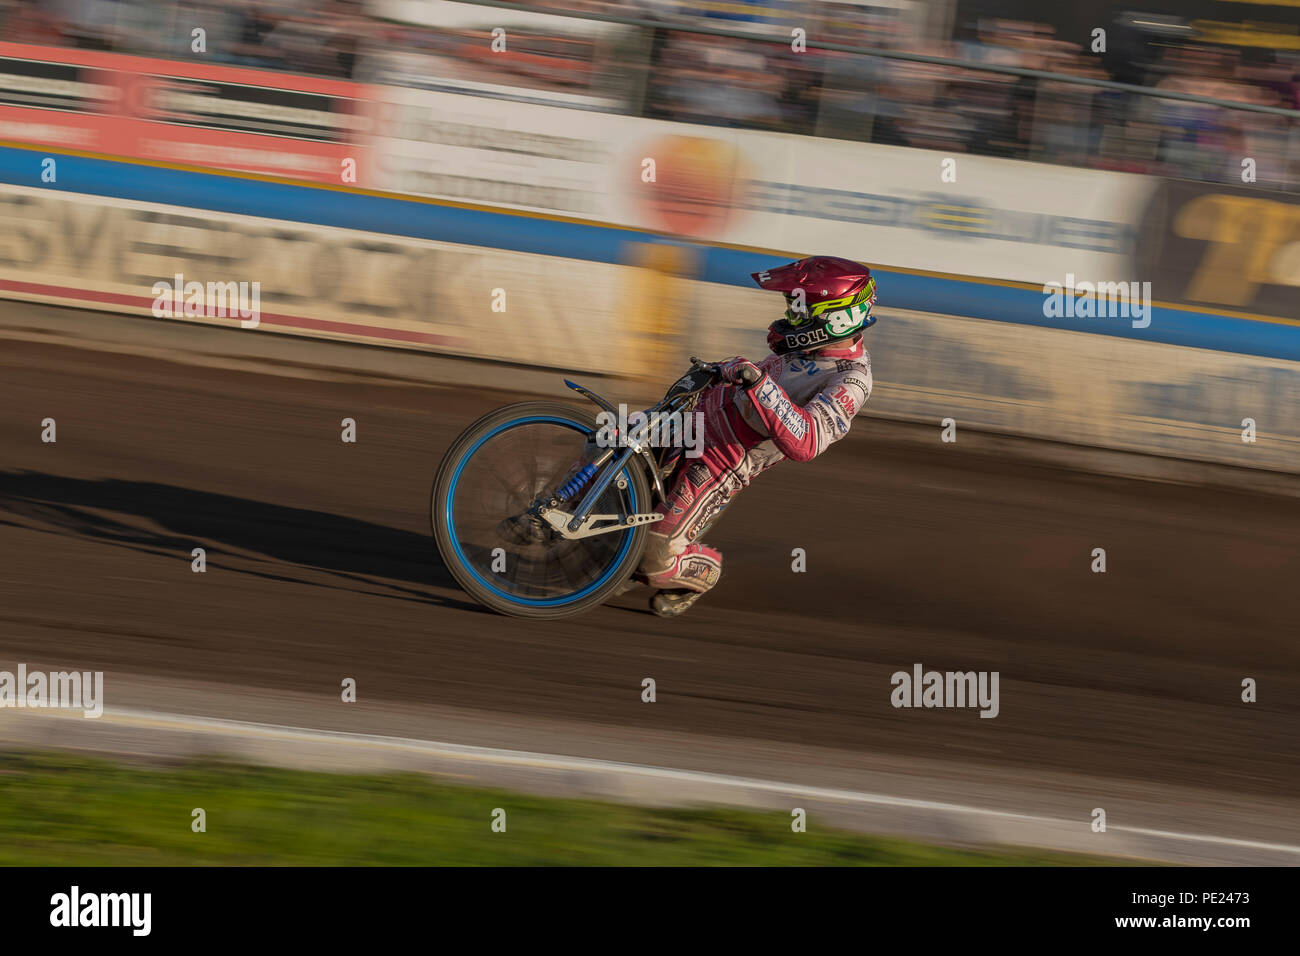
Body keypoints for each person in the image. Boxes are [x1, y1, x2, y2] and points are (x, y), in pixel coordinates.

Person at [637, 255, 877, 617]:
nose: (790, 318)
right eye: (791, 307)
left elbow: (807, 442)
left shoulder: (851, 380)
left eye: (799, 310)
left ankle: (702, 571)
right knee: (609, 436)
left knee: (654, 557)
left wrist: (758, 383)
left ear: (838, 316)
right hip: (693, 420)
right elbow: (755, 379)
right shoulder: (802, 345)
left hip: (721, 462)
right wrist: (723, 369)